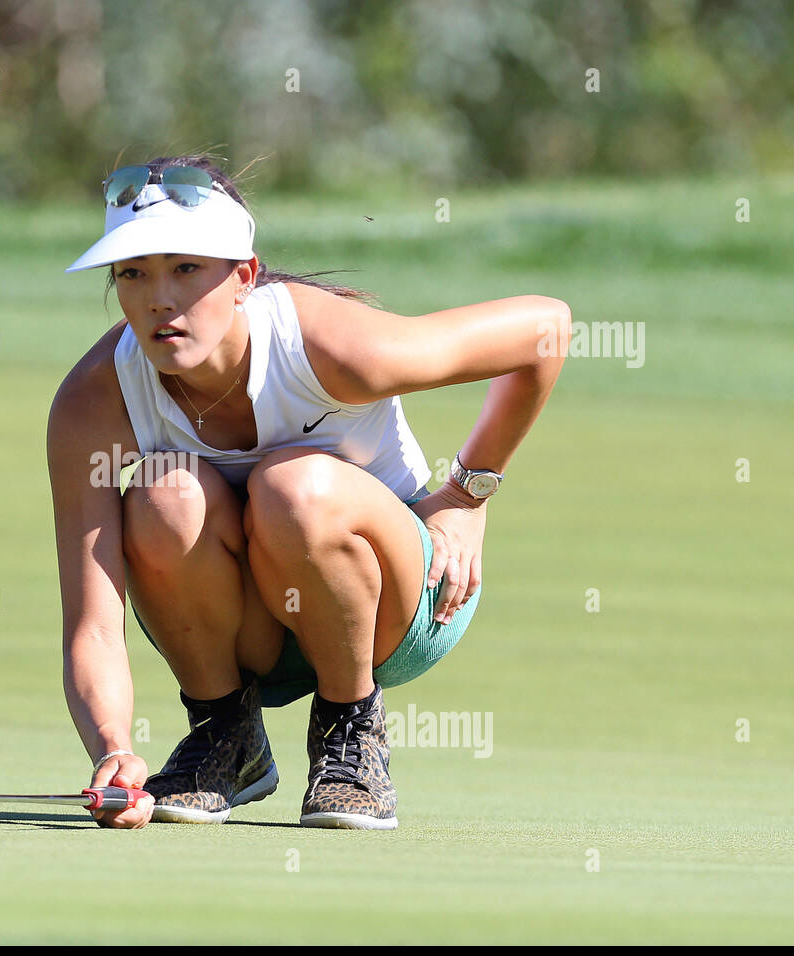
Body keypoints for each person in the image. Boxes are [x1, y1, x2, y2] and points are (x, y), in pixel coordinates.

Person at [46, 154, 568, 830]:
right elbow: (92, 625)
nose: (158, 299)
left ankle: (351, 728)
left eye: (185, 269)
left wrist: (470, 494)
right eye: (133, 273)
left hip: (399, 609)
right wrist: (112, 746)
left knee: (292, 487)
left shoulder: (332, 345)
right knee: (161, 495)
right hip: (247, 632)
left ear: (244, 277)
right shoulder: (92, 403)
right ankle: (222, 735)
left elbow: (547, 327)